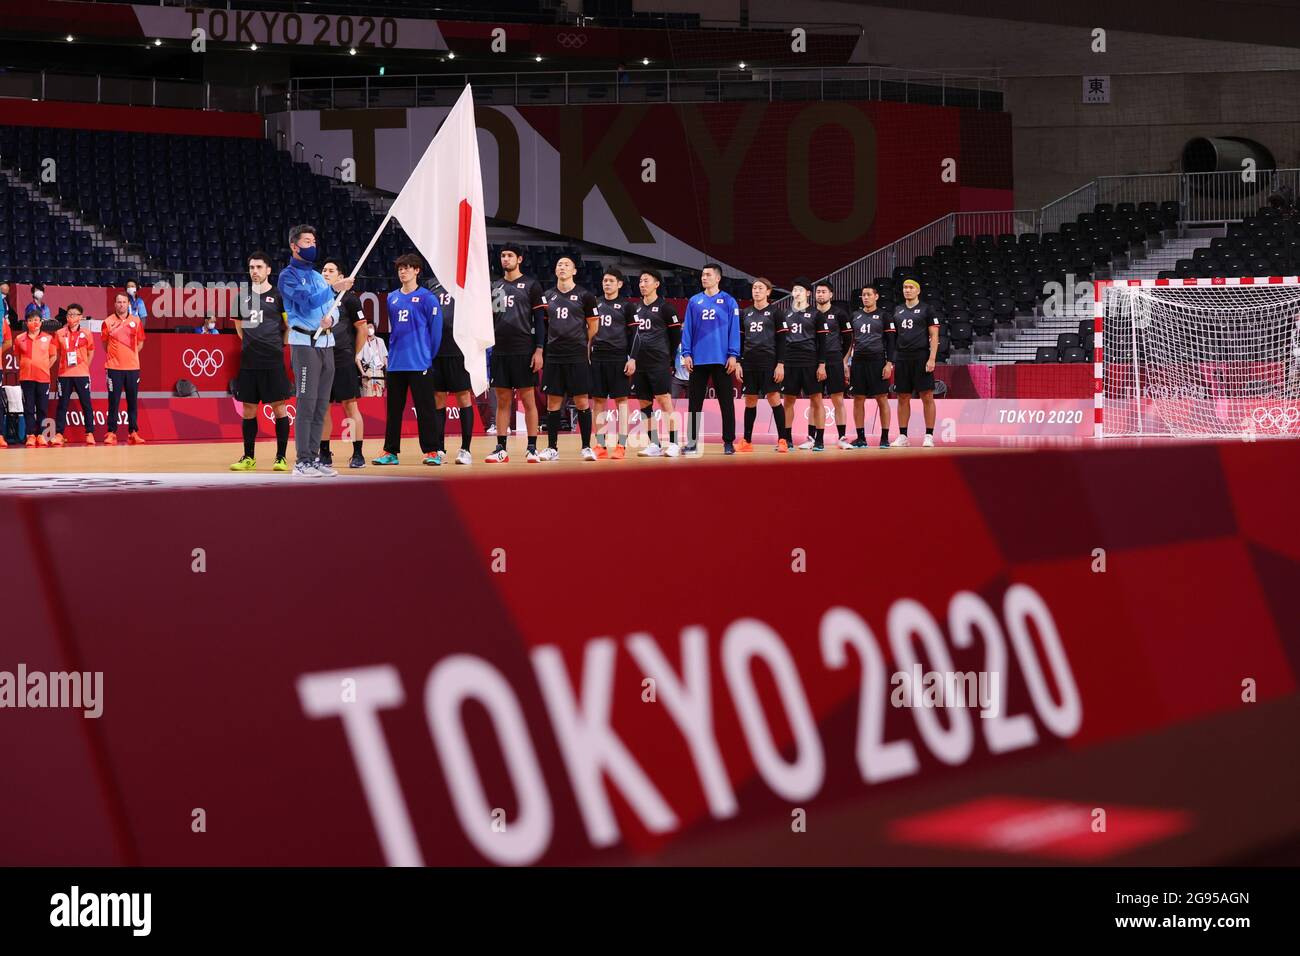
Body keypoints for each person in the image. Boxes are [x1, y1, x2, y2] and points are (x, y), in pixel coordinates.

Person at [279, 223, 350, 478]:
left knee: (321, 405)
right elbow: (307, 302)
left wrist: (333, 319)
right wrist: (334, 288)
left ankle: (316, 457)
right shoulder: (287, 276)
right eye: (307, 241)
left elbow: (334, 308)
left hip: (326, 344)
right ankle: (302, 462)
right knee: (306, 403)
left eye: (314, 241)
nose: (312, 246)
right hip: (304, 344)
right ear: (294, 245)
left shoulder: (318, 276)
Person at [372, 254, 442, 466]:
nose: (403, 271)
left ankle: (431, 451)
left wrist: (428, 357)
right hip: (396, 364)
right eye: (400, 268)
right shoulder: (392, 297)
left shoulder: (427, 298)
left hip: (419, 362)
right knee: (393, 410)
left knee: (425, 409)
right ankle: (390, 451)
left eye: (407, 268)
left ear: (417, 271)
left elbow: (436, 332)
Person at [230, 251, 293, 473]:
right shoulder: (242, 296)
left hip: (273, 360)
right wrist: (251, 343)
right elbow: (239, 326)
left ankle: (281, 457)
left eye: (259, 267)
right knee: (248, 409)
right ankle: (248, 457)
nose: (254, 271)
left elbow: (289, 327)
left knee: (279, 408)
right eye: (251, 268)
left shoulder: (278, 296)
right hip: (249, 361)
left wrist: (279, 345)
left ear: (268, 270)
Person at [486, 245, 547, 464]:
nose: (506, 259)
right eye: (503, 255)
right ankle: (501, 448)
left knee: (528, 399)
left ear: (519, 259)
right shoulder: (495, 285)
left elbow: (539, 321)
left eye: (510, 255)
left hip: (524, 348)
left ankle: (532, 448)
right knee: (502, 400)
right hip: (500, 349)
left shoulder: (531, 285)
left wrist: (539, 350)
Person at [539, 256, 600, 462]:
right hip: (554, 355)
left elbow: (593, 327)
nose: (562, 267)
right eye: (559, 265)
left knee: (582, 400)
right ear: (555, 271)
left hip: (577, 354)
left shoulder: (586, 295)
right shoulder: (547, 296)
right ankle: (552, 448)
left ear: (574, 271)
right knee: (553, 402)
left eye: (566, 265)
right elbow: (544, 325)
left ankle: (586, 447)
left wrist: (581, 343)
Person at [681, 262, 741, 456]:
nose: (703, 278)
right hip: (698, 360)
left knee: (726, 403)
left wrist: (733, 355)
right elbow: (687, 329)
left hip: (721, 360)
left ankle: (729, 442)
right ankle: (691, 442)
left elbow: (734, 330)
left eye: (707, 275)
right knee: (694, 403)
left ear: (718, 278)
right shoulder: (694, 301)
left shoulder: (729, 301)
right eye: (702, 275)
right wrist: (686, 353)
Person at [320, 258, 369, 469]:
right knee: (323, 408)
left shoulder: (350, 299)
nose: (325, 273)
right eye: (323, 270)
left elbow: (362, 329)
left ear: (341, 277)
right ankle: (324, 453)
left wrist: (353, 354)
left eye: (331, 270)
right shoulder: (318, 300)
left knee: (350, 406)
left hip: (343, 359)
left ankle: (358, 454)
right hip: (321, 359)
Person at [631, 269, 683, 457]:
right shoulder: (635, 308)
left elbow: (675, 336)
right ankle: (654, 444)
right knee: (644, 403)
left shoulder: (666, 308)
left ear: (656, 284)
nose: (642, 284)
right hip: (639, 363)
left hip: (658, 362)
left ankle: (674, 443)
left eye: (646, 281)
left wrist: (667, 357)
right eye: (640, 281)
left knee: (664, 401)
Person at [774, 278, 827, 452]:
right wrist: (779, 363)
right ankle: (786, 439)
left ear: (808, 293)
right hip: (789, 361)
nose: (796, 293)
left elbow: (823, 342)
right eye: (794, 290)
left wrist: (822, 365)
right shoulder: (783, 314)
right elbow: (779, 341)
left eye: (800, 290)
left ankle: (819, 440)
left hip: (810, 361)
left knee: (816, 400)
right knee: (788, 400)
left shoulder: (816, 314)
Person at [589, 267, 637, 459]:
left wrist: (632, 358)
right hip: (598, 356)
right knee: (598, 401)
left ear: (619, 284)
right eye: (604, 280)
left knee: (622, 402)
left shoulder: (627, 306)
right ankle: (600, 445)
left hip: (618, 357)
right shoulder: (595, 303)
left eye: (610, 280)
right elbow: (589, 333)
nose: (607, 283)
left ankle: (621, 445)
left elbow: (635, 335)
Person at [428, 280, 475, 466]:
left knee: (463, 397)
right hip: (436, 350)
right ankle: (439, 448)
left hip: (458, 350)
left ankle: (466, 449)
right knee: (438, 398)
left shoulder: (463, 282)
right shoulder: (431, 284)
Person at [890, 278, 940, 448]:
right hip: (902, 358)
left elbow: (934, 336)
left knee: (927, 396)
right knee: (902, 397)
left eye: (911, 287)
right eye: (905, 287)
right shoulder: (897, 310)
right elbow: (893, 337)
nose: (907, 290)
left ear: (918, 291)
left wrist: (932, 358)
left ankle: (929, 435)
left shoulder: (927, 309)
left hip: (921, 357)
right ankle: (903, 436)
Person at [737, 277, 784, 452]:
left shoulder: (776, 313)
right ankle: (747, 441)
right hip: (749, 362)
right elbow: (740, 340)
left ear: (768, 292)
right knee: (750, 400)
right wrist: (740, 362)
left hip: (769, 361)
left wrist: (780, 364)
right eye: (754, 288)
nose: (756, 291)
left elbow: (782, 340)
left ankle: (783, 440)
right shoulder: (745, 312)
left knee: (773, 398)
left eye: (760, 288)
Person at [847, 284, 894, 449]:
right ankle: (861, 438)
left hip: (877, 361)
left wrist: (889, 363)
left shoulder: (884, 316)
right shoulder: (855, 316)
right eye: (863, 295)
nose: (865, 297)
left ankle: (885, 438)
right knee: (858, 399)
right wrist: (846, 361)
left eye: (868, 294)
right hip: (858, 361)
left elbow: (891, 342)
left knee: (881, 398)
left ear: (876, 296)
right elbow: (850, 341)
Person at [813, 280, 855, 449]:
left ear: (831, 294)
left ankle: (842, 438)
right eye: (818, 292)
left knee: (838, 399)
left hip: (834, 360)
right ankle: (816, 439)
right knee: (814, 400)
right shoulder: (810, 313)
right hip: (813, 362)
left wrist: (843, 360)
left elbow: (848, 339)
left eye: (824, 291)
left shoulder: (840, 313)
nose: (820, 294)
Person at [102, 291, 146, 445]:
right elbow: (104, 344)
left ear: (129, 304)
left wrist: (130, 355)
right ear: (115, 304)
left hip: (133, 368)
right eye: (118, 302)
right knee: (113, 401)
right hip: (114, 368)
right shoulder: (108, 322)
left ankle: (133, 432)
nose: (121, 305)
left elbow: (140, 343)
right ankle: (111, 432)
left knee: (132, 401)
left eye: (124, 302)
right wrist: (116, 356)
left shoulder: (136, 321)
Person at [52, 303, 96, 446]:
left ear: (81, 317)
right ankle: (59, 434)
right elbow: (56, 353)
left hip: (81, 374)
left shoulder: (87, 333)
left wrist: (84, 367)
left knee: (86, 404)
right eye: (69, 314)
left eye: (75, 314)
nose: (72, 317)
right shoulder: (59, 333)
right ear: (66, 316)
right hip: (64, 374)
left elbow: (91, 352)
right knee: (62, 405)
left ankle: (89, 433)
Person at [14, 307, 55, 446]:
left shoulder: (49, 338)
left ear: (41, 322)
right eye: (30, 320)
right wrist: (27, 367)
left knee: (43, 407)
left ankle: (42, 435)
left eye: (36, 320)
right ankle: (30, 434)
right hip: (26, 378)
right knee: (29, 408)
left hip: (43, 378)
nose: (33, 322)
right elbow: (18, 357)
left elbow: (53, 356)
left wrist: (43, 367)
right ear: (26, 322)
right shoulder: (19, 338)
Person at [359, 323, 387, 396]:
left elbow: (385, 357)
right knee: (368, 397)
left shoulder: (380, 341)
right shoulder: (362, 342)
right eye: (367, 327)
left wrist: (387, 371)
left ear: (374, 328)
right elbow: (357, 359)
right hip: (368, 372)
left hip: (379, 372)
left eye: (371, 327)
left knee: (379, 395)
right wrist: (362, 372)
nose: (369, 329)